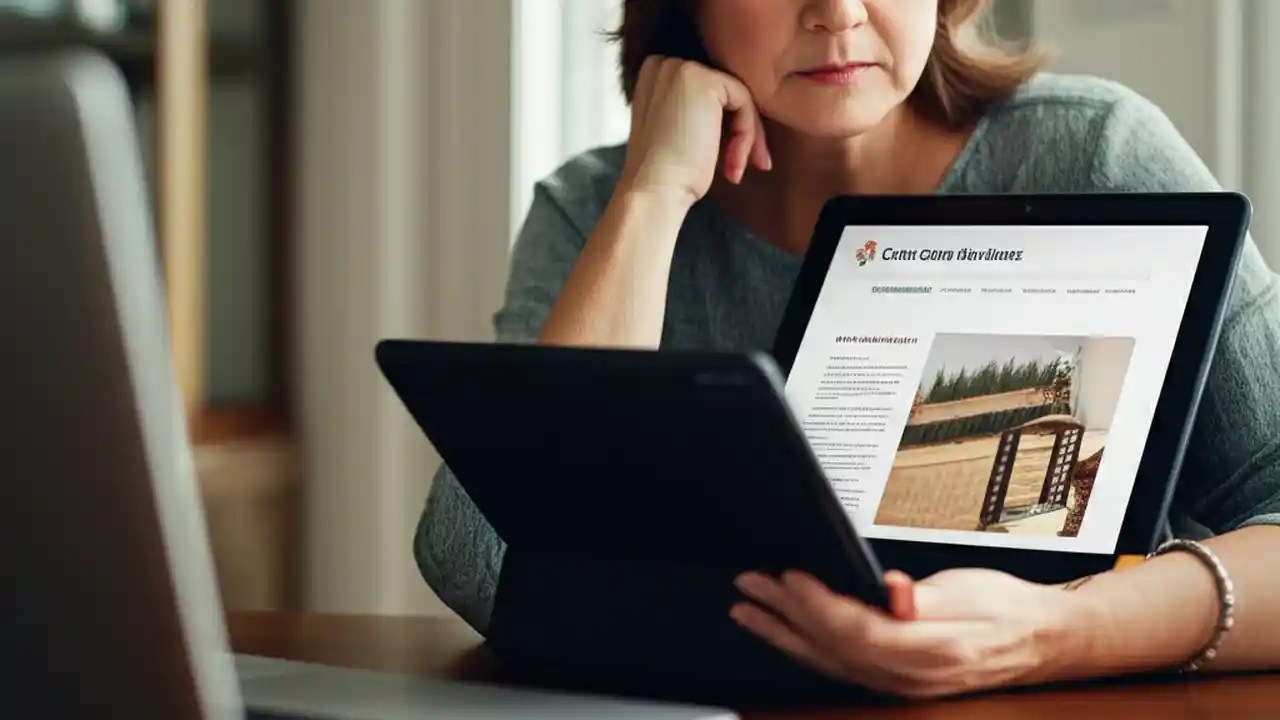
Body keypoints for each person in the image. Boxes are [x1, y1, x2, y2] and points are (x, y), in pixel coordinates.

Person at [416, 0, 1280, 699]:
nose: (835, 12)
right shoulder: (597, 208)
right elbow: (479, 558)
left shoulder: (1097, 152)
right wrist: (650, 198)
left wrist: (1054, 633)